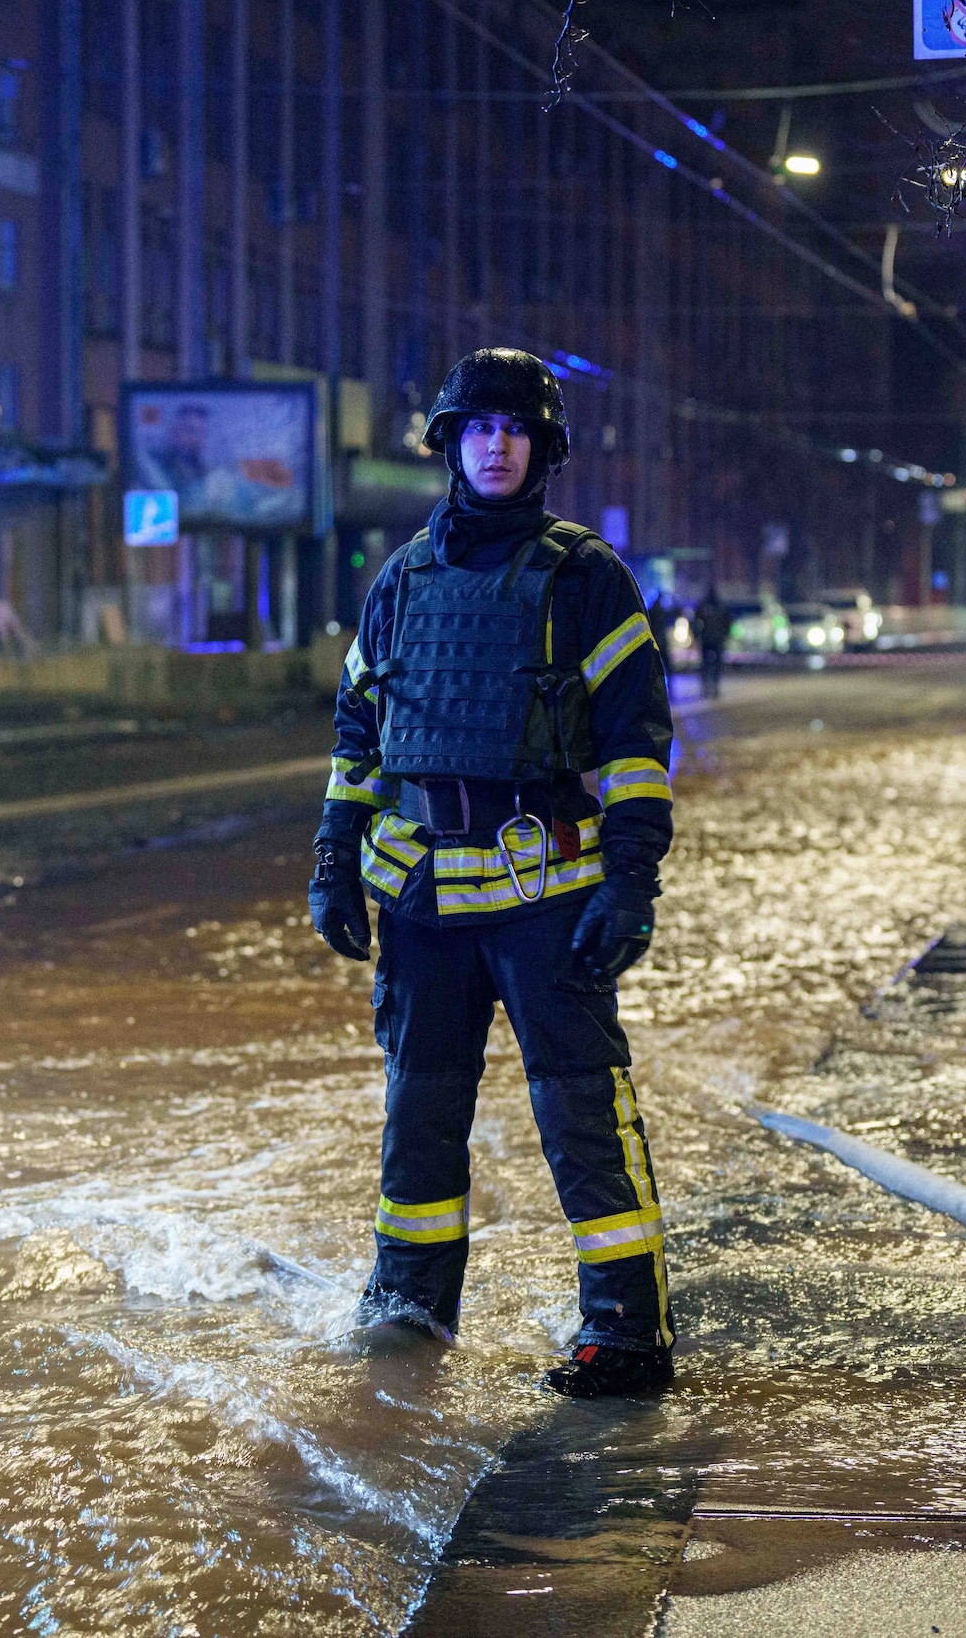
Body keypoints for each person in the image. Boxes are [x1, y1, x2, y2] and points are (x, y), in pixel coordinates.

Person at [307, 348, 678, 1399]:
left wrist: (627, 883)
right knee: (419, 1110)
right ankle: (408, 1306)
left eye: (514, 427)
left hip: (545, 895)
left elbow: (638, 749)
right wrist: (335, 861)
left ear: (542, 447)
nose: (495, 444)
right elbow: (358, 733)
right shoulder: (399, 581)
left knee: (579, 1108)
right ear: (447, 444)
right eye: (477, 427)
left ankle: (624, 1329)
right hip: (419, 894)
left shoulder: (586, 579)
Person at [693, 590, 732, 700]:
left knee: (706, 664)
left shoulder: (704, 606)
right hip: (715, 638)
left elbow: (695, 622)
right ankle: (713, 688)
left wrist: (697, 635)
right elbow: (727, 622)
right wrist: (725, 634)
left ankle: (709, 688)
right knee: (715, 664)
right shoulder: (720, 606)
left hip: (708, 638)